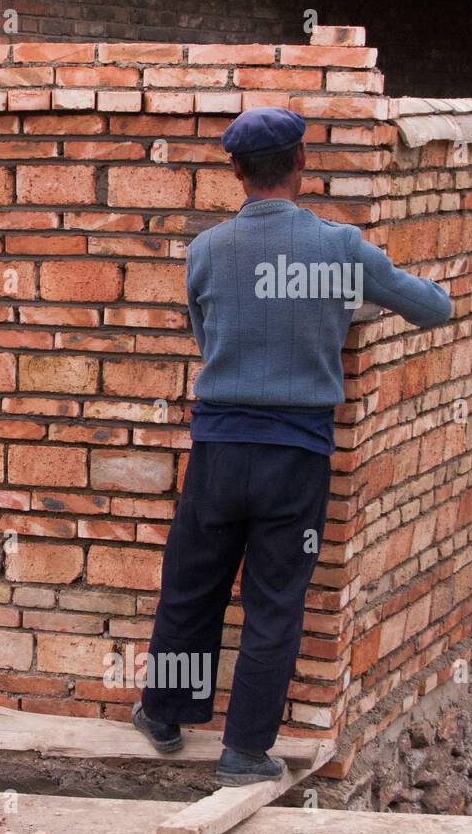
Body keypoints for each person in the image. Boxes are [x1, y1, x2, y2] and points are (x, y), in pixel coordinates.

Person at [131, 107, 452, 786]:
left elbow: (208, 335)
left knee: (191, 586)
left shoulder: (206, 249)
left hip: (218, 451)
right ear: (301, 162)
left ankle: (164, 713)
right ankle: (244, 752)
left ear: (236, 171)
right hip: (294, 457)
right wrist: (349, 302)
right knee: (274, 602)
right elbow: (431, 308)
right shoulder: (340, 248)